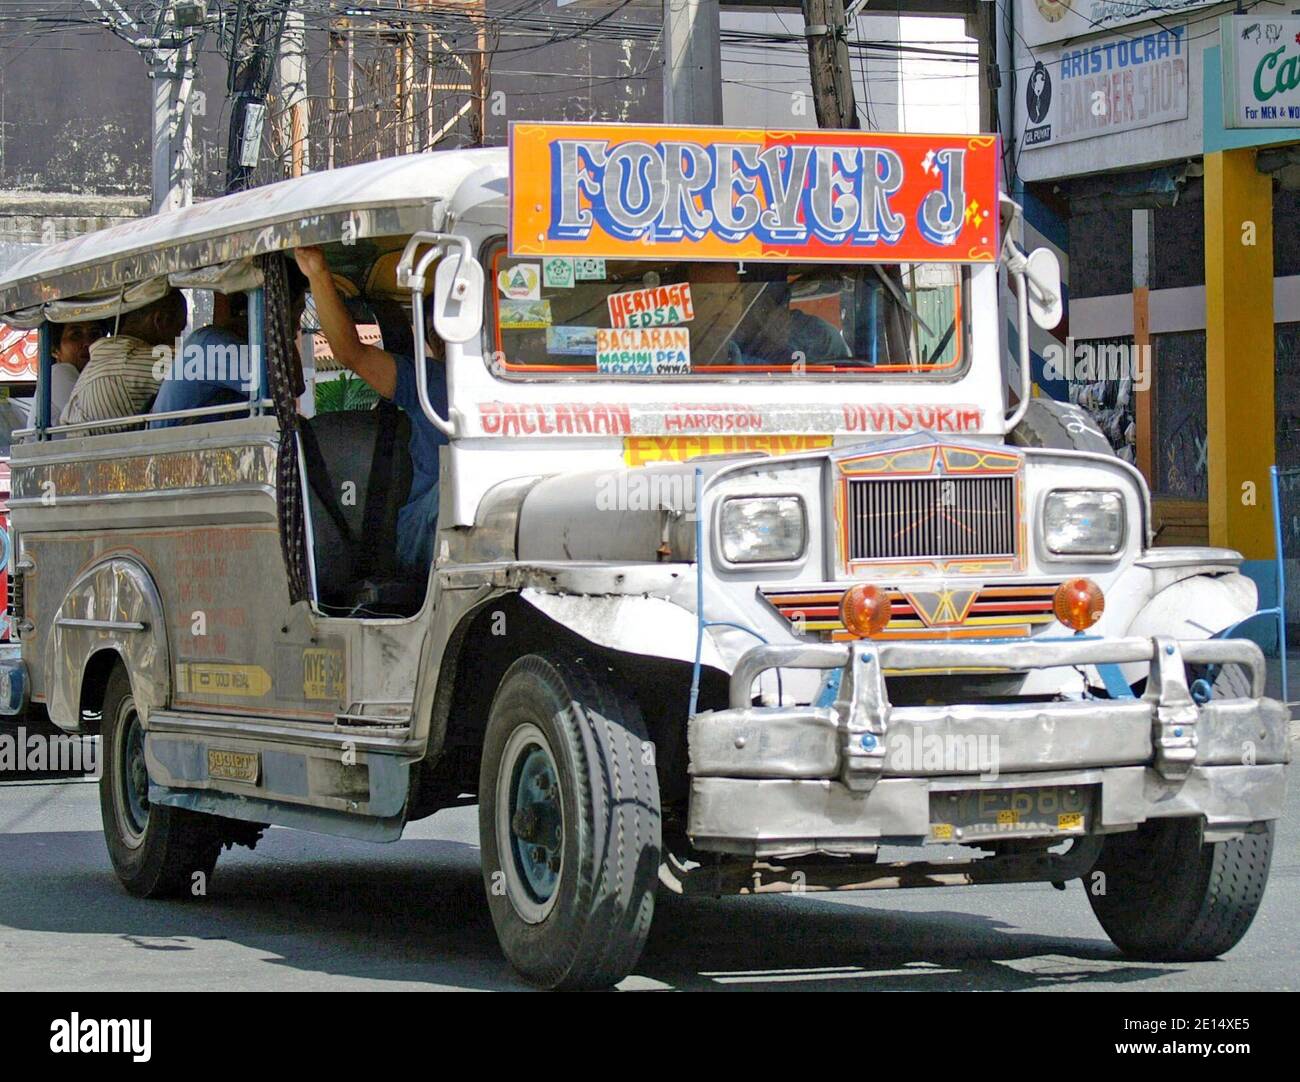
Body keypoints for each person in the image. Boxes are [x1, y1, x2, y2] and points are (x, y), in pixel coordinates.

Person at [293, 246, 447, 579]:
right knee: (459, 483)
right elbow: (352, 354)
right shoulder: (427, 378)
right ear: (436, 335)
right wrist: (318, 272)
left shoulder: (523, 379)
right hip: (428, 533)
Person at [150, 274, 308, 427]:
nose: (299, 325)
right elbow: (289, 388)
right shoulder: (211, 346)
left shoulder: (222, 344)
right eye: (296, 313)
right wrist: (279, 330)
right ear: (274, 311)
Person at [61, 290, 187, 432]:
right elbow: (205, 362)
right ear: (160, 321)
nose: (177, 340)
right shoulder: (134, 360)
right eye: (178, 330)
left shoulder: (102, 363)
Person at [47, 319, 105, 424]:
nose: (88, 343)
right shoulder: (59, 373)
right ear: (55, 350)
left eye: (95, 334)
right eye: (76, 335)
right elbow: (94, 419)